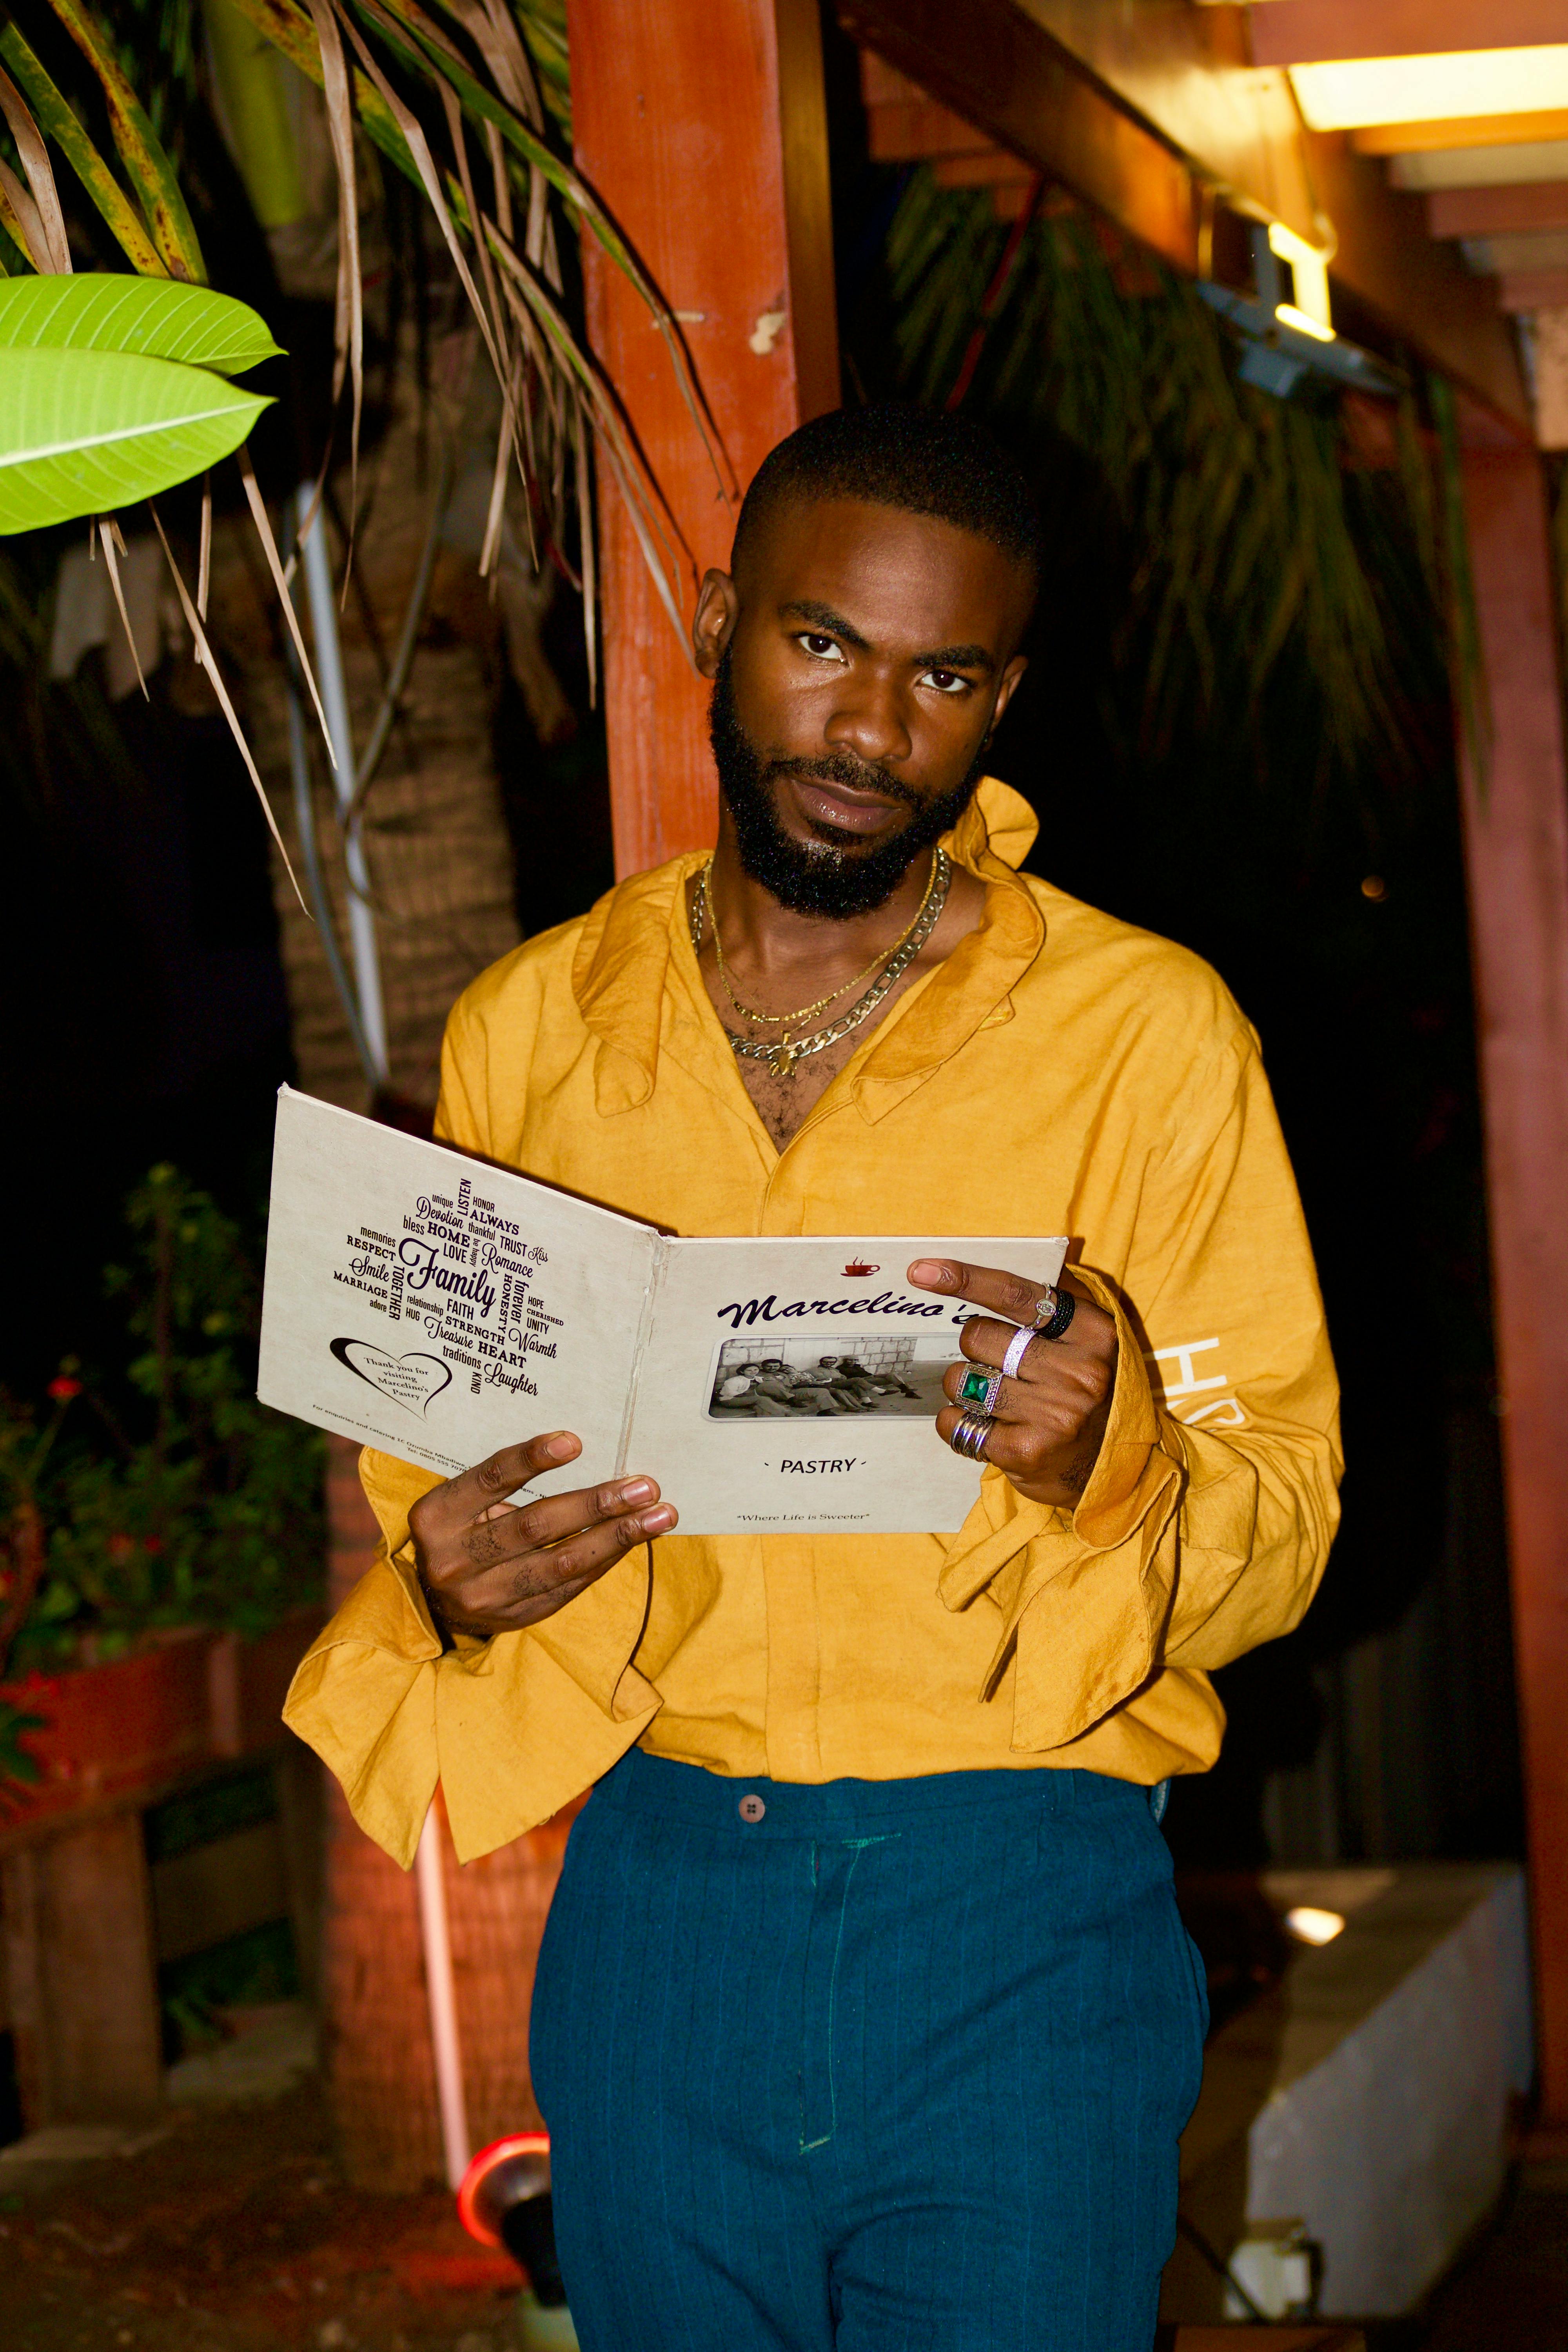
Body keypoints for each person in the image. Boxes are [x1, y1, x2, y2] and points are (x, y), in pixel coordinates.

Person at [286, 404, 1340, 2352]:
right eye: (821, 643)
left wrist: (1111, 1462)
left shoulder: (1145, 1036)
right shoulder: (533, 1031)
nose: (868, 731)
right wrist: (455, 1577)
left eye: (942, 676)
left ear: (1001, 699)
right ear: (717, 625)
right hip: (659, 1906)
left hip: (1017, 1906)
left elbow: (1283, 1514)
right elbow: (435, 1465)